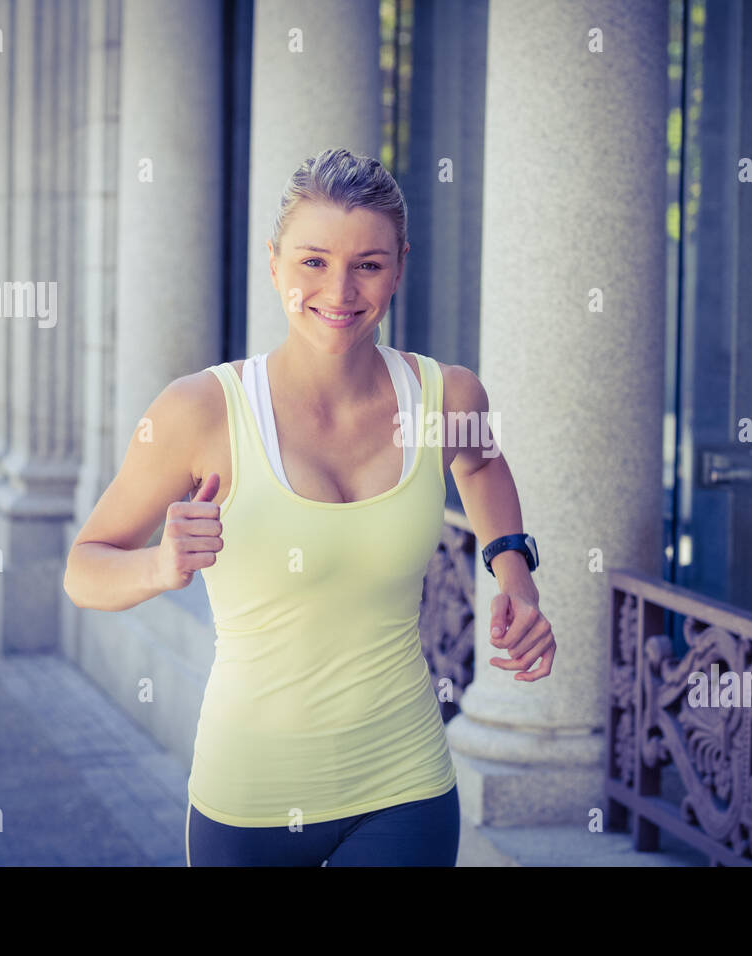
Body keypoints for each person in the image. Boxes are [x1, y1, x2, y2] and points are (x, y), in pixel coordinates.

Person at [63, 147, 555, 866]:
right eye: (313, 262)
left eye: (368, 265)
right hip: (250, 800)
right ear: (274, 264)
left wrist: (514, 573)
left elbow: (481, 467)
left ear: (400, 267)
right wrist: (160, 567)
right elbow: (83, 569)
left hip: (406, 786)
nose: (340, 290)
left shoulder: (447, 397)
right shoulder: (200, 411)